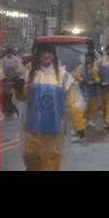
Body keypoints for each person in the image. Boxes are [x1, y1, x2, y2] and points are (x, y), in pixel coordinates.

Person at [12, 42, 85, 171]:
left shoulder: (63, 76)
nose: (46, 55)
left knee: (51, 160)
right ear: (38, 55)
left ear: (54, 55)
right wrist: (18, 89)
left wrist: (79, 125)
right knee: (30, 156)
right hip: (32, 126)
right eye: (43, 52)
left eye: (49, 52)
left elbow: (73, 102)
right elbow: (22, 98)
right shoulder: (30, 74)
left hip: (54, 127)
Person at [74, 49, 100, 128]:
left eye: (89, 57)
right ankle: (84, 119)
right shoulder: (82, 67)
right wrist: (82, 80)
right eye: (86, 57)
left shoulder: (96, 66)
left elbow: (99, 76)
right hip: (84, 88)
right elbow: (76, 74)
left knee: (93, 106)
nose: (88, 59)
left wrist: (96, 81)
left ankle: (92, 120)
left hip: (93, 88)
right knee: (84, 105)